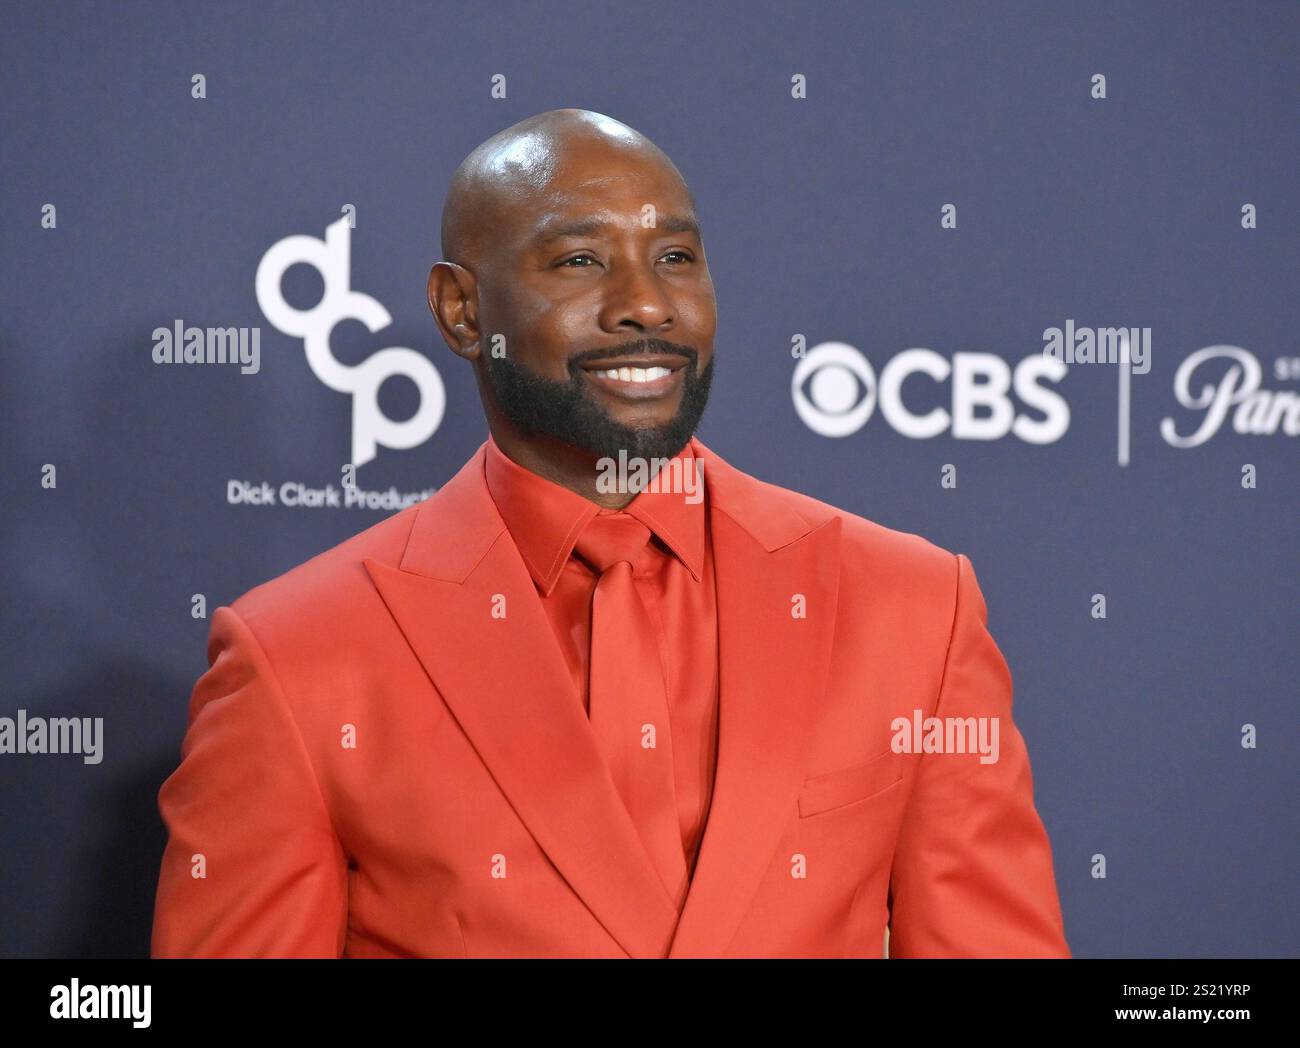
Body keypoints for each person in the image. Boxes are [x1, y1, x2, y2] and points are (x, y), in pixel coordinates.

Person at [150, 108, 1070, 958]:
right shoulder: (298, 655)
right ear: (462, 312)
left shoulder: (913, 608)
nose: (647, 306)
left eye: (675, 256)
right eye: (581, 261)